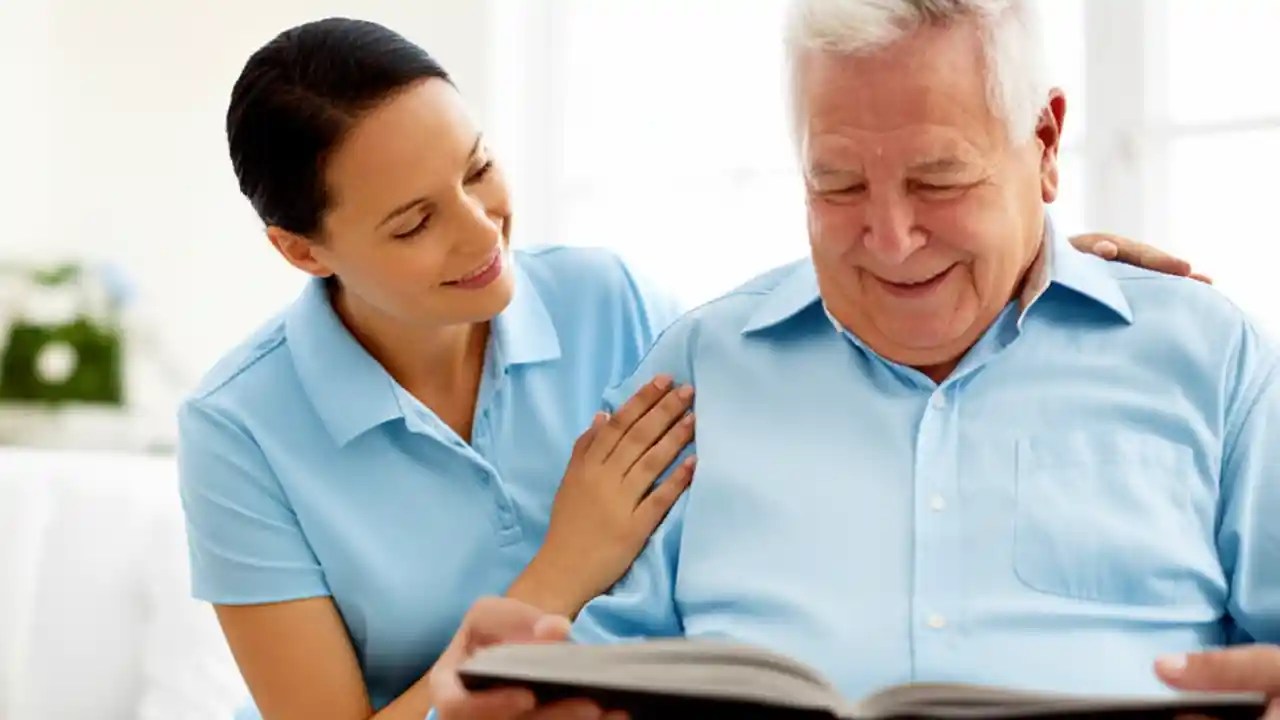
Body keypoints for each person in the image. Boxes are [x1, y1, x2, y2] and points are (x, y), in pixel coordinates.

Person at [177, 15, 1205, 720]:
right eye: (413, 223)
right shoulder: (240, 429)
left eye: (478, 168)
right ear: (303, 251)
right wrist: (563, 571)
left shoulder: (607, 300)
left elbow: (802, 340)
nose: (481, 230)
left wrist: (1028, 257)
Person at [426, 1, 1280, 719]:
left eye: (940, 180)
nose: (891, 240)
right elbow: (596, 677)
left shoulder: (1209, 358)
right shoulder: (697, 375)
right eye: (837, 184)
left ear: (1046, 142)